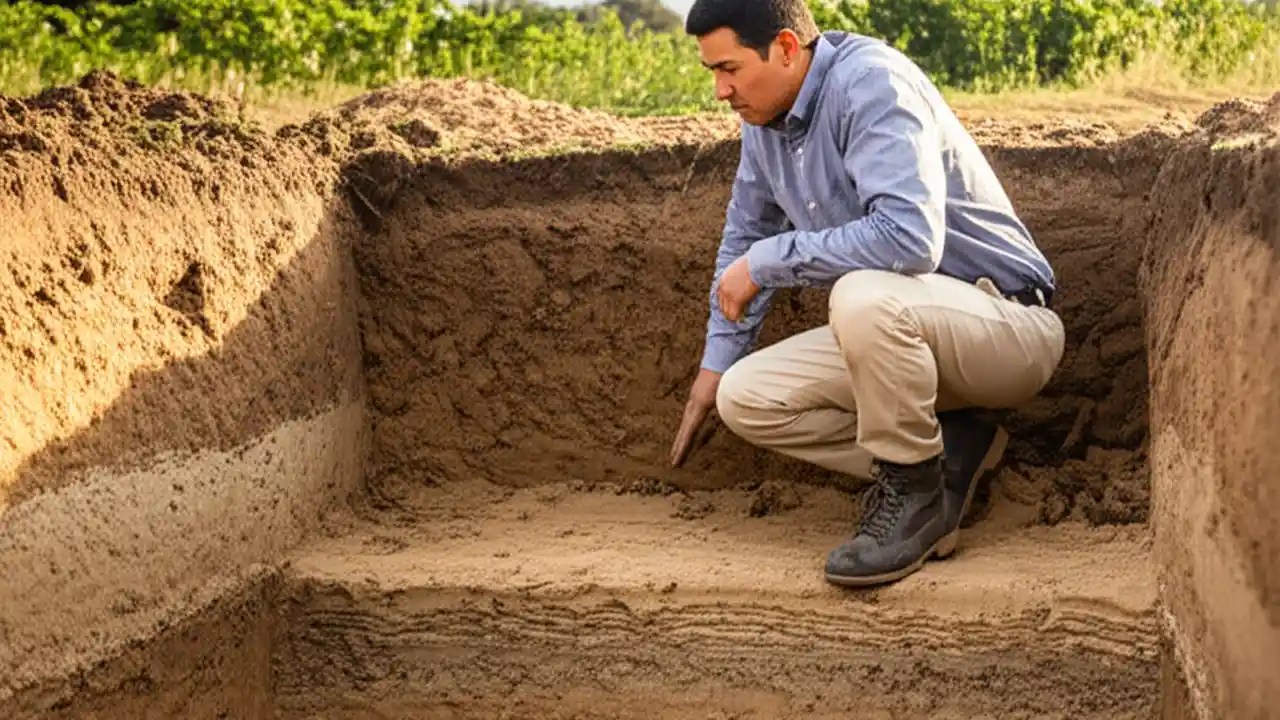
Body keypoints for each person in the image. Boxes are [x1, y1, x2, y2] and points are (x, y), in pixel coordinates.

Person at [668, 0, 1065, 587]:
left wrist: (770, 262)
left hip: (1004, 327)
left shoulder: (873, 85)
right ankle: (944, 458)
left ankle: (911, 496)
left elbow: (908, 240)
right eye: (713, 74)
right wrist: (715, 365)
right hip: (903, 333)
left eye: (729, 69)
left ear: (783, 48)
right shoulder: (764, 124)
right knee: (747, 397)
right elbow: (744, 238)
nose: (721, 92)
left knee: (860, 294)